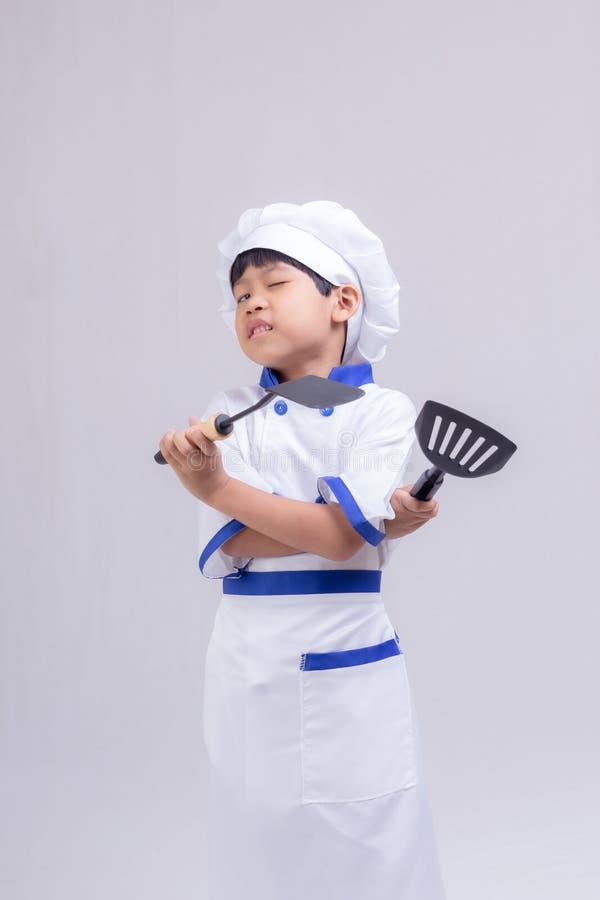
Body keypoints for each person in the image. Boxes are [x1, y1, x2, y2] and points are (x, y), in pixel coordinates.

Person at [159, 200, 446, 900]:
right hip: (246, 659)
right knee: (252, 838)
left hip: (344, 646)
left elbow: (340, 540)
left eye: (274, 284)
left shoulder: (380, 412)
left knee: (366, 835)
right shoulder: (228, 411)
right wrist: (346, 523)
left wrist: (219, 488)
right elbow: (236, 541)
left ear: (343, 301)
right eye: (240, 296)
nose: (252, 303)